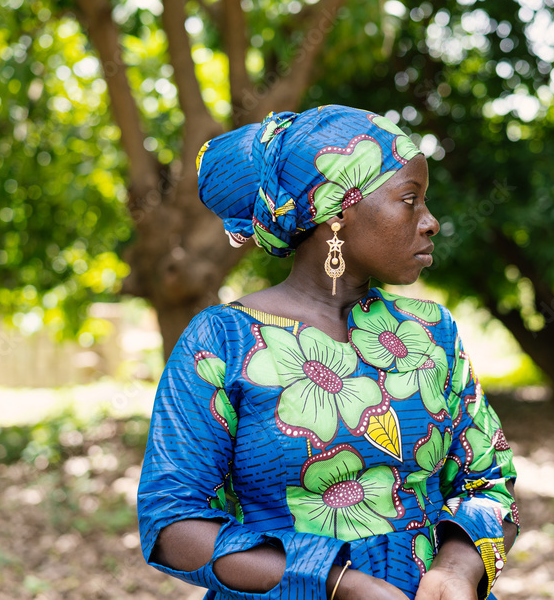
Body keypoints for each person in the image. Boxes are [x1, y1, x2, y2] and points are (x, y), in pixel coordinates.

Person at [137, 105, 520, 600]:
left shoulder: (432, 333)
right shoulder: (222, 342)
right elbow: (172, 525)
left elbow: (488, 480)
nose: (431, 222)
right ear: (337, 211)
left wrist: (457, 570)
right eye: (410, 200)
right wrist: (336, 582)